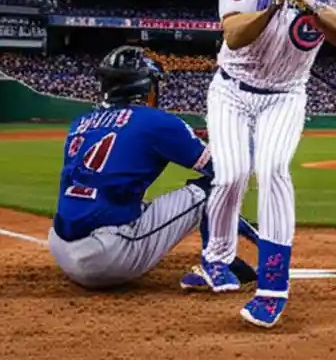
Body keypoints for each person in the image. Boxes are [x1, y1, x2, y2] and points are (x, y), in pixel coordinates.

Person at [186, 0, 336, 329]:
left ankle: (273, 286)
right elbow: (234, 35)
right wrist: (273, 6)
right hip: (231, 90)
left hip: (285, 94)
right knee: (229, 175)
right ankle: (216, 260)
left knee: (274, 168)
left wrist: (310, 5)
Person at [47, 46, 258, 290]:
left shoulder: (80, 123)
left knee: (128, 202)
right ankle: (218, 266)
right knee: (214, 186)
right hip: (107, 259)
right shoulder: (156, 121)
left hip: (60, 246)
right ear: (145, 87)